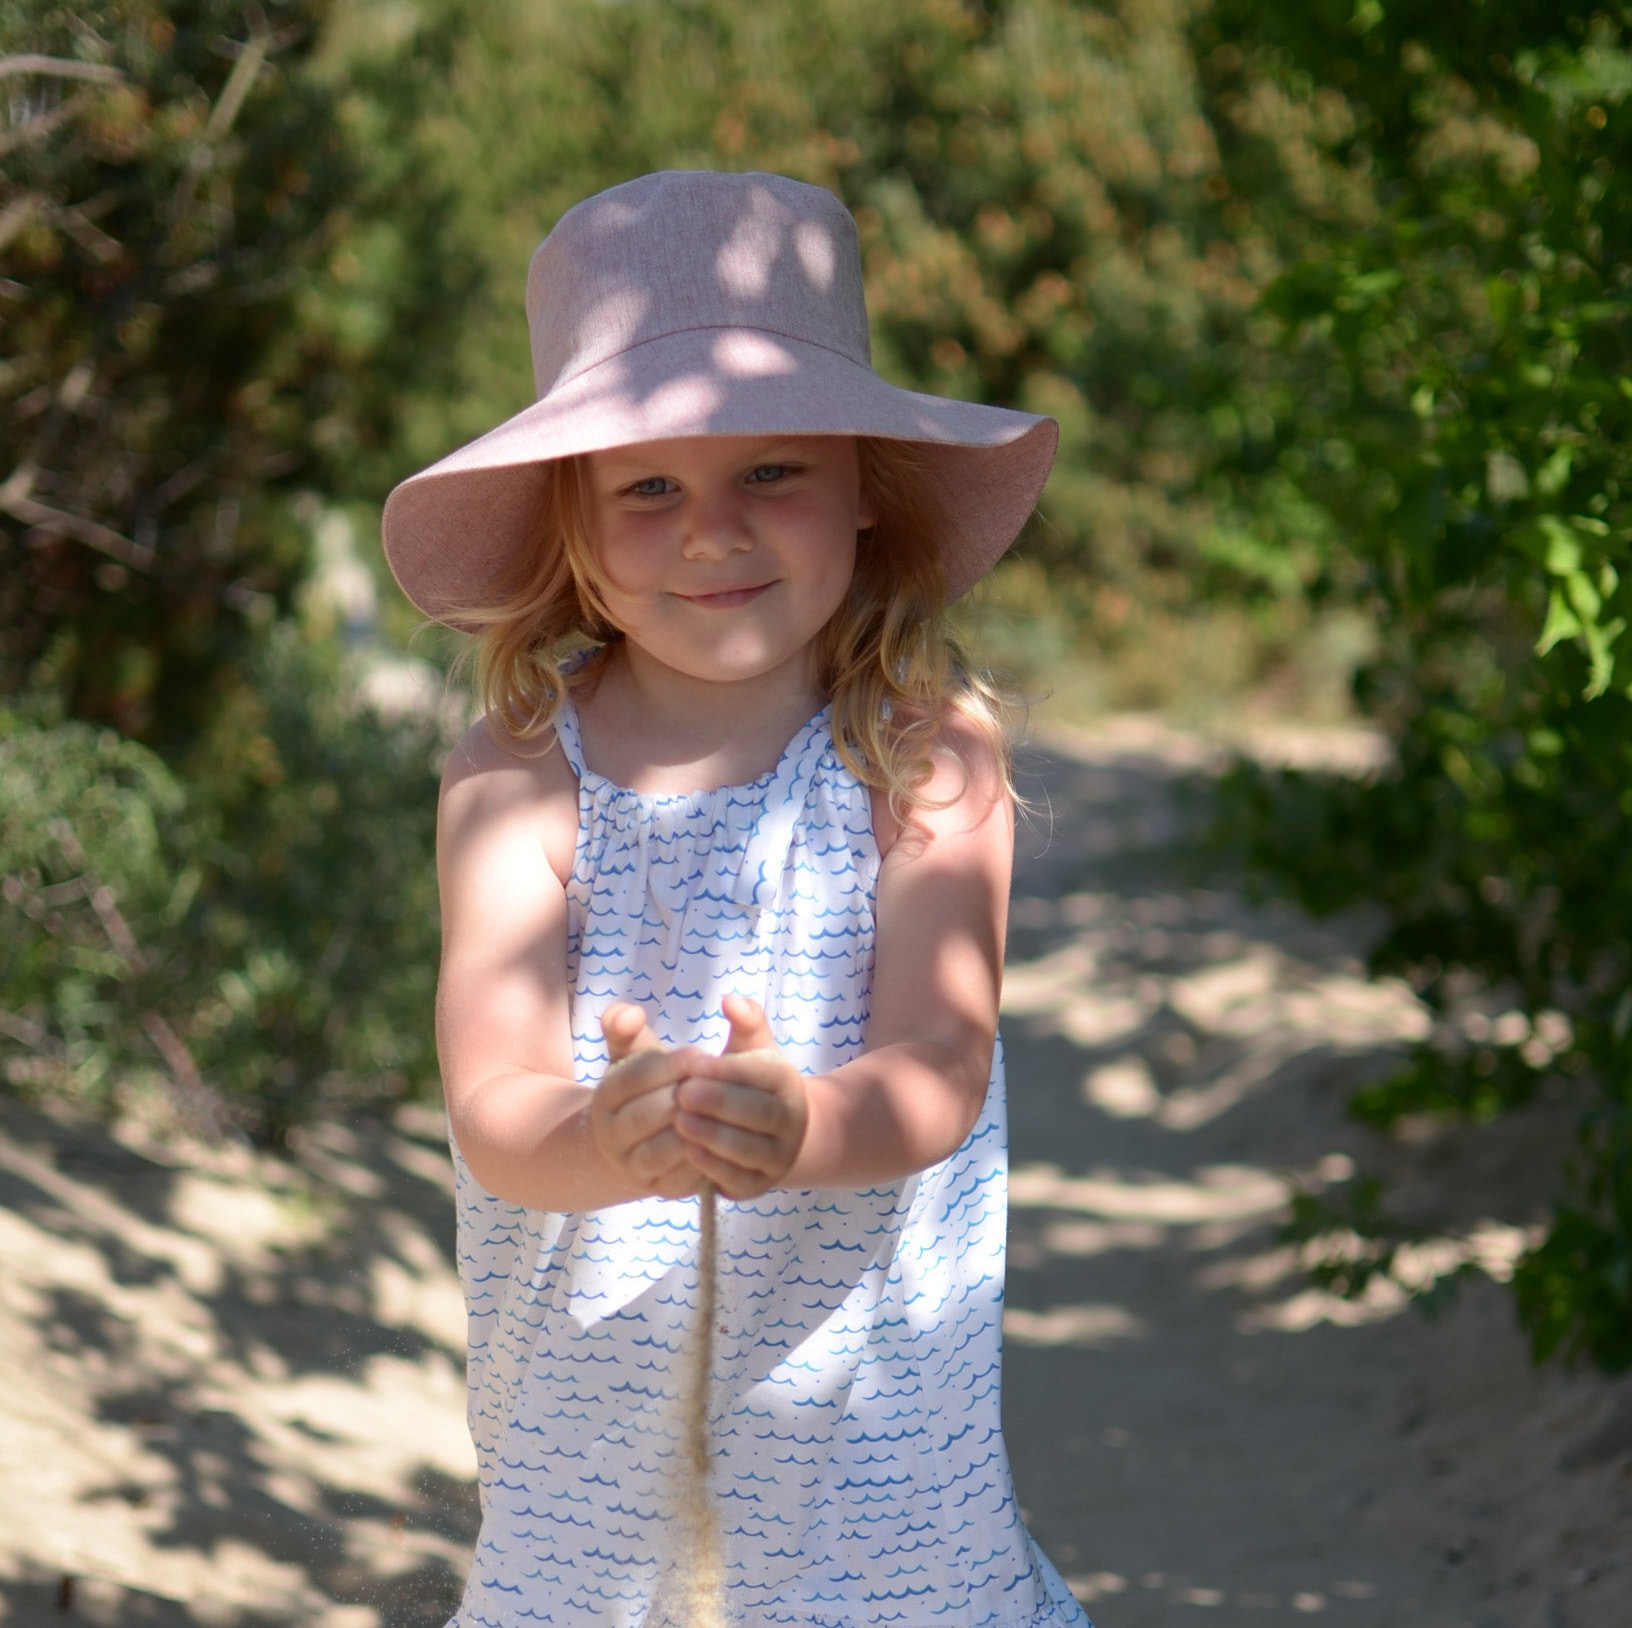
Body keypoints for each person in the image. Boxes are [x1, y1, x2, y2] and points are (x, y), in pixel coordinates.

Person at [382, 169, 1091, 1628]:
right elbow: (494, 1100)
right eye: (648, 486)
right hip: (589, 1460)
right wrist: (604, 1135)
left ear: (866, 494)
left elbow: (938, 1068)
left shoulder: (923, 752)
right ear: (571, 525)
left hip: (877, 1456)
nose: (713, 530)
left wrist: (805, 1123)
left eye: (773, 471)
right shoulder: (520, 774)